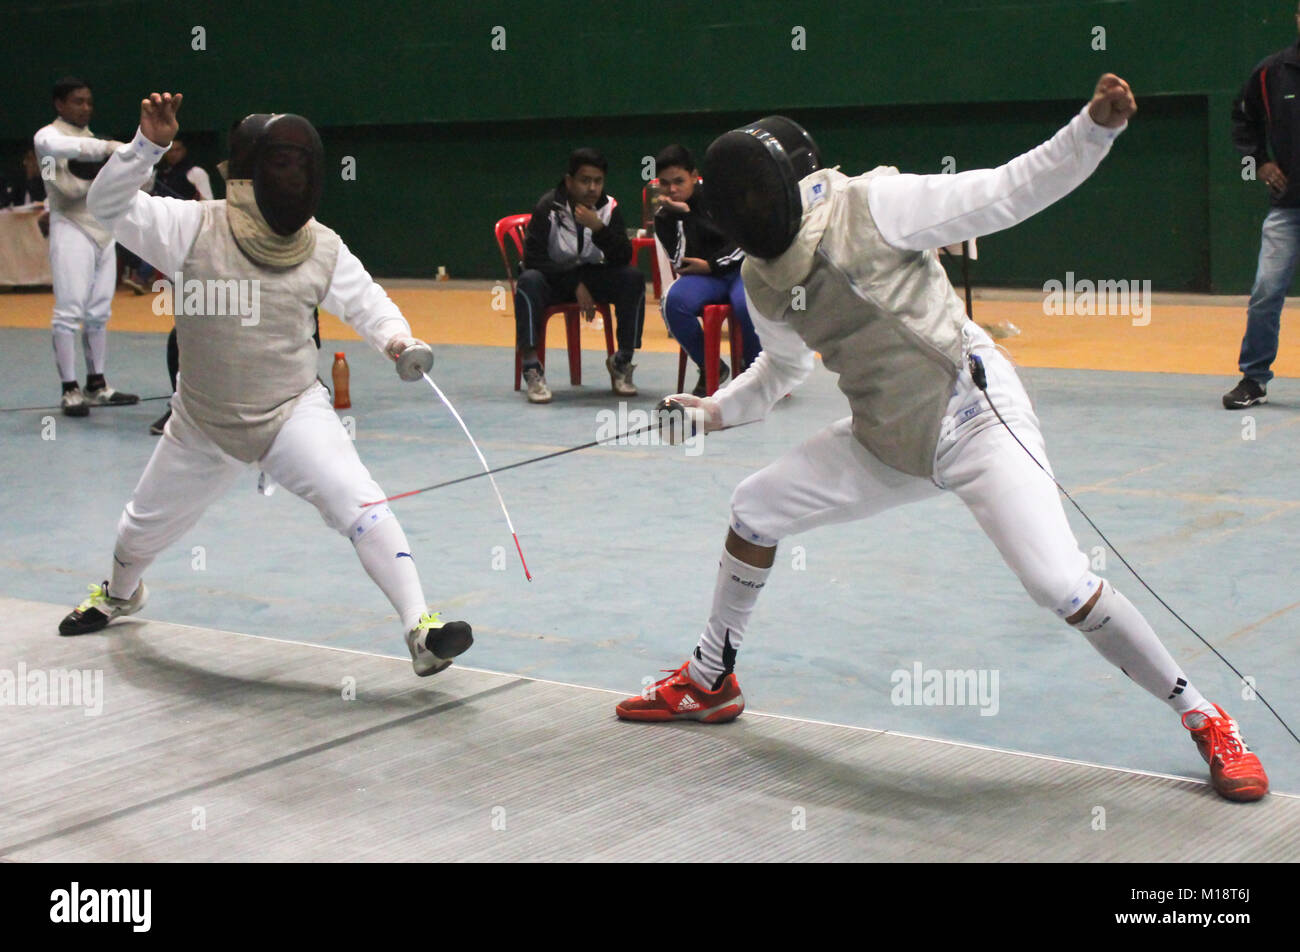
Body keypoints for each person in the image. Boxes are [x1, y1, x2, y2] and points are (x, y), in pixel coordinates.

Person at [616, 75, 1270, 803]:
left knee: (1059, 582)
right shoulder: (767, 280)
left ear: (794, 184)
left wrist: (1093, 130)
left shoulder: (875, 204)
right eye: (741, 206)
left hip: (975, 416)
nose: (752, 214)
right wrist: (709, 412)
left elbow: (1006, 190)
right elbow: (778, 372)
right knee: (754, 508)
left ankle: (1206, 716)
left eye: (760, 197)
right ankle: (711, 679)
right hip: (887, 439)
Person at [59, 91, 473, 679]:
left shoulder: (322, 246)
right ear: (249, 174)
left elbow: (367, 303)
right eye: (282, 164)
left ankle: (420, 629)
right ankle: (122, 593)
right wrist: (146, 146)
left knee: (358, 499)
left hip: (289, 414)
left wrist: (398, 341)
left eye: (301, 165)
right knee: (138, 531)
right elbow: (106, 204)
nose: (294, 176)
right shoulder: (190, 227)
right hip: (202, 422)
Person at [33, 76, 138, 416]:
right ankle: (70, 389)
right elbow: (68, 187)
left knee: (98, 313)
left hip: (103, 232)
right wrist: (108, 152)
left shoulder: (93, 138)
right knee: (68, 312)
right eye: (78, 101)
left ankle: (97, 384)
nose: (86, 107)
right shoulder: (47, 137)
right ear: (60, 104)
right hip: (70, 227)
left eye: (89, 101)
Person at [515, 148, 645, 403]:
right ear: (569, 181)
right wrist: (574, 282)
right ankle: (531, 367)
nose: (592, 188)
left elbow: (622, 255)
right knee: (528, 280)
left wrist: (598, 227)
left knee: (632, 278)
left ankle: (622, 361)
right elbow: (533, 258)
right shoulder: (548, 207)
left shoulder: (609, 208)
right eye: (585, 180)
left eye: (598, 181)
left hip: (592, 274)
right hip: (552, 277)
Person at [1224, 4, 1300, 410]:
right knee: (1266, 290)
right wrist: (1259, 162)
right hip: (1288, 208)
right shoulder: (1271, 72)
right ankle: (1253, 378)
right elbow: (1242, 118)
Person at [653, 144, 760, 395]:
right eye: (665, 183)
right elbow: (680, 262)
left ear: (694, 175)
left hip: (740, 271)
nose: (673, 189)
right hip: (702, 278)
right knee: (672, 302)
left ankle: (754, 373)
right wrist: (681, 217)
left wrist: (712, 265)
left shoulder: (722, 198)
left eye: (679, 181)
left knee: (747, 304)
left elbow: (743, 242)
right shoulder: (664, 217)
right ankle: (710, 366)